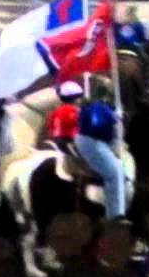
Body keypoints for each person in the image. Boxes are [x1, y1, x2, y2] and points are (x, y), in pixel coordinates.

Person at [74, 81, 129, 226]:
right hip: (91, 141)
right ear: (105, 96)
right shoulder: (98, 109)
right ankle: (115, 214)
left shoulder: (98, 107)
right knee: (115, 172)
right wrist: (114, 117)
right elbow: (96, 126)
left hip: (96, 140)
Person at [45, 80, 84, 155]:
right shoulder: (72, 110)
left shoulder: (55, 112)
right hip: (70, 141)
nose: (81, 99)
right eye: (79, 97)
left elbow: (49, 127)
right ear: (74, 98)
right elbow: (78, 122)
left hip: (56, 142)